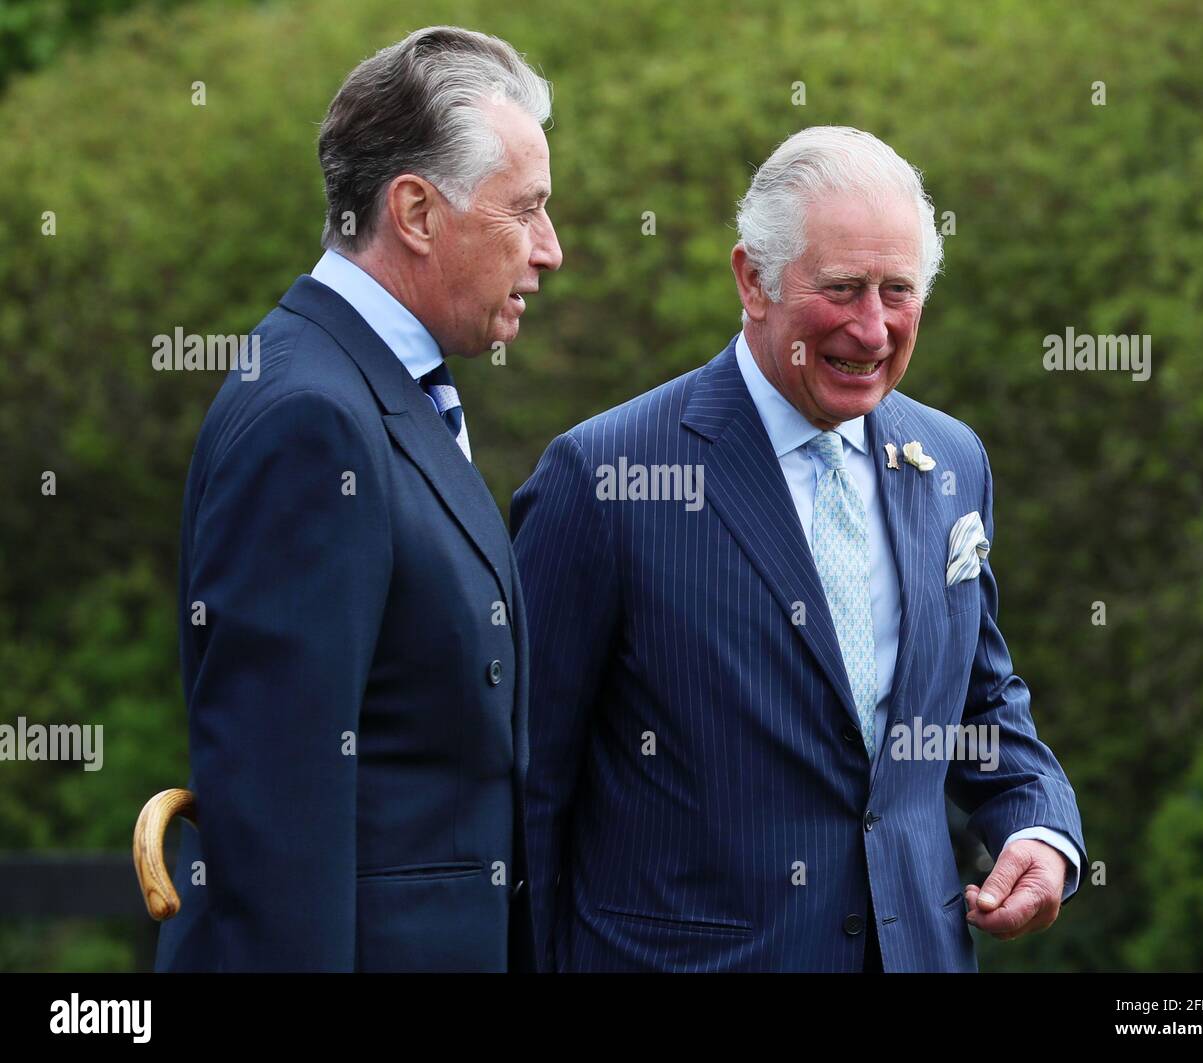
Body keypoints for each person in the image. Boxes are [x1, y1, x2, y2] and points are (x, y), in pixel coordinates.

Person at [512, 126, 1083, 972]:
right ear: (752, 279)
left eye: (900, 290)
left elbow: (974, 704)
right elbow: (528, 782)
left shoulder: (952, 460)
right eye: (844, 288)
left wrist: (1039, 825)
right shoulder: (605, 474)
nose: (873, 327)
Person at [155, 26, 561, 972]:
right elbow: (277, 810)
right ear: (416, 211)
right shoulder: (312, 416)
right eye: (528, 210)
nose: (550, 249)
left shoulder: (364, 382)